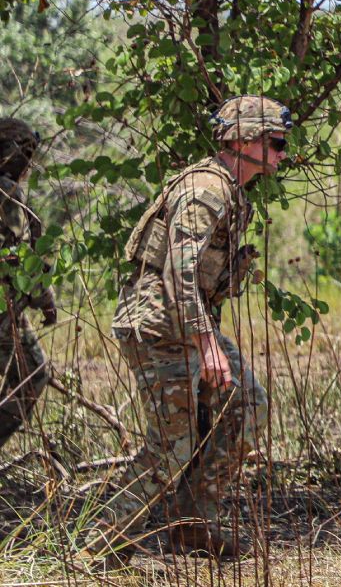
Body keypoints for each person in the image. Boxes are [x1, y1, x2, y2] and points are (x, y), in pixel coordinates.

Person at [84, 95, 291, 563]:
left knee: (249, 406)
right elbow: (180, 271)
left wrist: (207, 339)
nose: (282, 152)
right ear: (244, 141)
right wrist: (206, 344)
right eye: (276, 141)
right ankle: (101, 546)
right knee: (171, 448)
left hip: (188, 326)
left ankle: (192, 523)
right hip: (160, 327)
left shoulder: (229, 190)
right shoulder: (205, 190)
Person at [0, 118, 57, 451]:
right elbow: (19, 258)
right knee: (32, 375)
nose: (28, 162)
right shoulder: (8, 193)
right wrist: (44, 299)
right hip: (4, 311)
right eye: (25, 153)